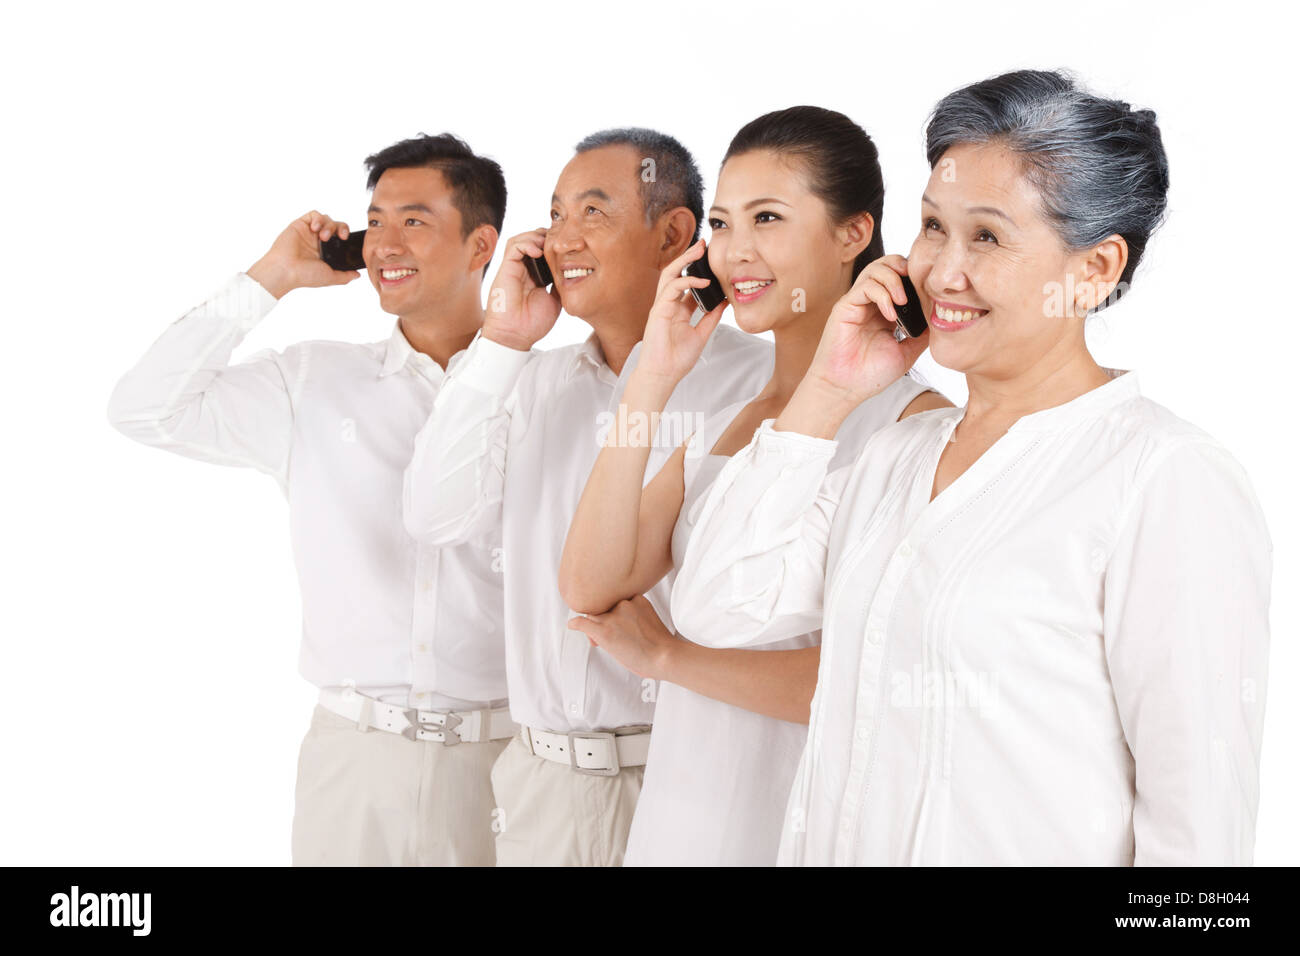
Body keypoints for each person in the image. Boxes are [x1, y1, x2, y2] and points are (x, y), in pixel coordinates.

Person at [670, 70, 1272, 866]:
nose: (941, 271)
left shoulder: (1163, 479)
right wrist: (825, 391)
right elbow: (717, 607)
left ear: (1094, 270)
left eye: (986, 236)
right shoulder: (894, 453)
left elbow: (1201, 835)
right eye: (930, 227)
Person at [107, 133, 518, 866]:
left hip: (510, 765)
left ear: (481, 243)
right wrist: (269, 278)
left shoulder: (541, 390)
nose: (384, 243)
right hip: (353, 763)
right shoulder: (313, 383)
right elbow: (144, 409)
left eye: (415, 221)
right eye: (376, 220)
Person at [559, 107, 950, 865]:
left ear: (852, 233)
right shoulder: (726, 414)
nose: (737, 252)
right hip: (681, 810)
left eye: (767, 218)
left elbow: (875, 679)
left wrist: (671, 659)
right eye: (723, 223)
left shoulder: (915, 428)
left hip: (794, 817)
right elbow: (590, 584)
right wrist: (653, 377)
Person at [402, 128, 773, 866]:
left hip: (685, 780)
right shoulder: (529, 383)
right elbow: (433, 517)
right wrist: (504, 341)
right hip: (539, 788)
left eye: (592, 214)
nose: (561, 238)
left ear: (674, 234)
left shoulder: (759, 387)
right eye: (555, 215)